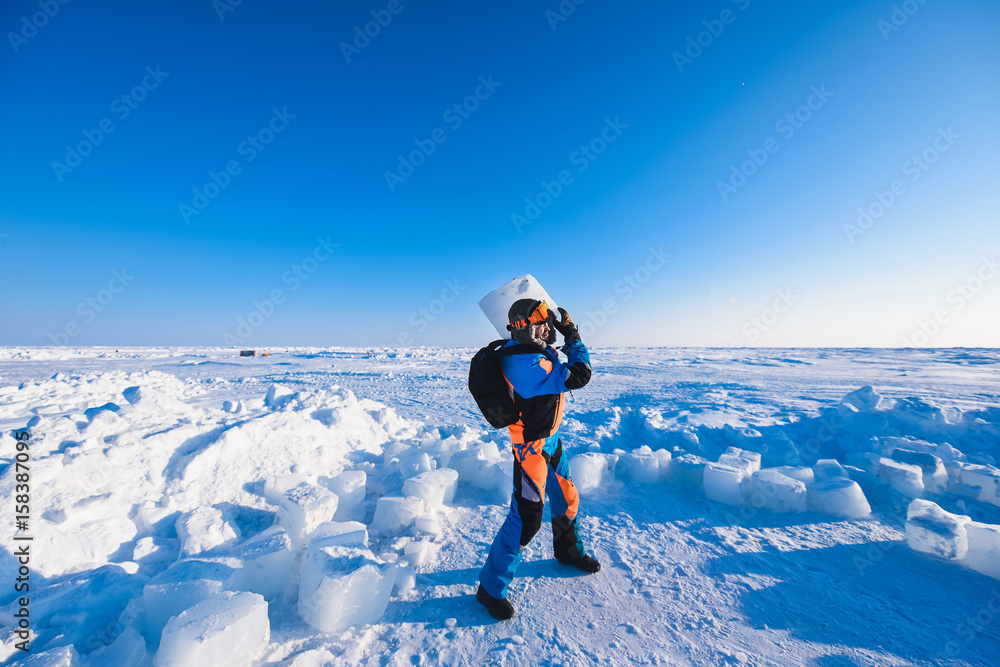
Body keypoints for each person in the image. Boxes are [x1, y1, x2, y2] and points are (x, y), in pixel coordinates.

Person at [477, 298, 601, 620]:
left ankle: (568, 551)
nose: (549, 329)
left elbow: (551, 355)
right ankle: (489, 589)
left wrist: (554, 331)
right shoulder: (524, 364)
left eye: (548, 322)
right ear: (524, 328)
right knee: (526, 519)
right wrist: (572, 335)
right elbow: (579, 374)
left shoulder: (531, 350)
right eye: (541, 323)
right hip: (530, 448)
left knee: (568, 498)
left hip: (551, 440)